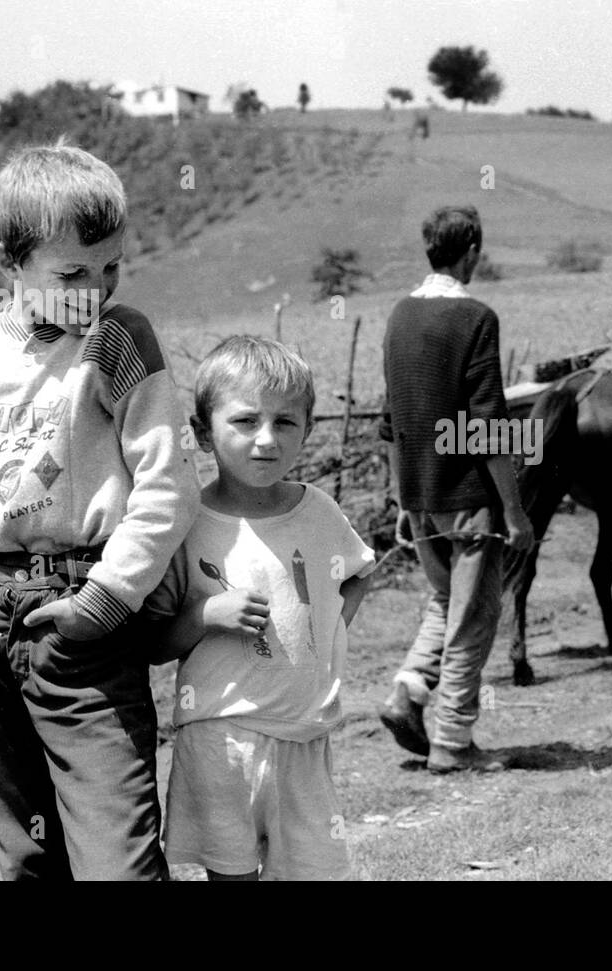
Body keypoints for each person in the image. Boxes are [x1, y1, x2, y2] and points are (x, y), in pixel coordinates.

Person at [0, 141, 201, 880]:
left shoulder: (119, 343)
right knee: (27, 854)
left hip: (89, 625)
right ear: (9, 260)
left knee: (117, 861)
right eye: (71, 274)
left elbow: (168, 486)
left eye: (111, 267)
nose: (95, 290)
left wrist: (105, 599)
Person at [143, 336, 374, 880]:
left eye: (285, 422)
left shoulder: (318, 513)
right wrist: (205, 616)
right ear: (203, 433)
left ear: (308, 430)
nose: (266, 440)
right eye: (245, 421)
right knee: (234, 874)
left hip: (304, 735)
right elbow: (153, 643)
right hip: (220, 738)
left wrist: (324, 636)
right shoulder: (186, 523)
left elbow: (359, 574)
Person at [377, 205, 532, 774]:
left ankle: (407, 692)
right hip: (469, 502)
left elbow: (392, 420)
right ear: (472, 251)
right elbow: (488, 422)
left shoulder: (398, 316)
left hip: (420, 499)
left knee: (447, 603)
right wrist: (513, 512)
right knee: (474, 618)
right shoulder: (476, 318)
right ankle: (452, 744)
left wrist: (402, 498)